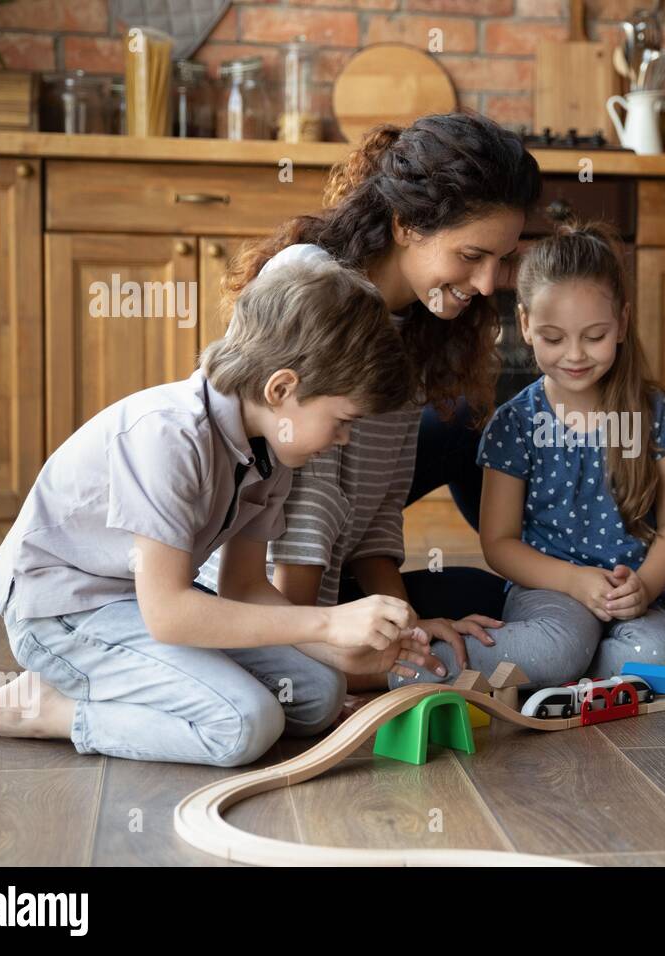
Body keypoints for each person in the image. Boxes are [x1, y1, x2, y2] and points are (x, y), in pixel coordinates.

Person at [0, 260, 439, 765]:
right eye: (341, 422)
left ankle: (119, 682)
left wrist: (347, 652)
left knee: (317, 694)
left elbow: (243, 587)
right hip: (62, 612)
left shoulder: (270, 452)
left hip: (133, 606)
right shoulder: (170, 436)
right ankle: (55, 708)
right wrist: (329, 625)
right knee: (244, 725)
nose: (343, 440)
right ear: (282, 389)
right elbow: (170, 614)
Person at [199, 112, 542, 691]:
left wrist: (402, 625)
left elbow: (380, 506)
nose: (487, 285)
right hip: (259, 591)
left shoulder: (419, 324)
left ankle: (583, 576)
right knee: (349, 669)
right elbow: (297, 503)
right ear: (406, 225)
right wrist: (339, 644)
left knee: (485, 597)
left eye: (500, 260)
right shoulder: (313, 290)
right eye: (470, 256)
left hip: (329, 573)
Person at [392, 221, 665, 690]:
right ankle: (416, 668)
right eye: (554, 338)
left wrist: (647, 586)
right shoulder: (515, 424)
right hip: (549, 594)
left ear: (623, 323)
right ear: (526, 325)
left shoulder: (656, 411)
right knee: (556, 647)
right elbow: (499, 543)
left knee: (659, 654)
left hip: (635, 595)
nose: (575, 355)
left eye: (594, 336)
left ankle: (569, 675)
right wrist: (575, 582)